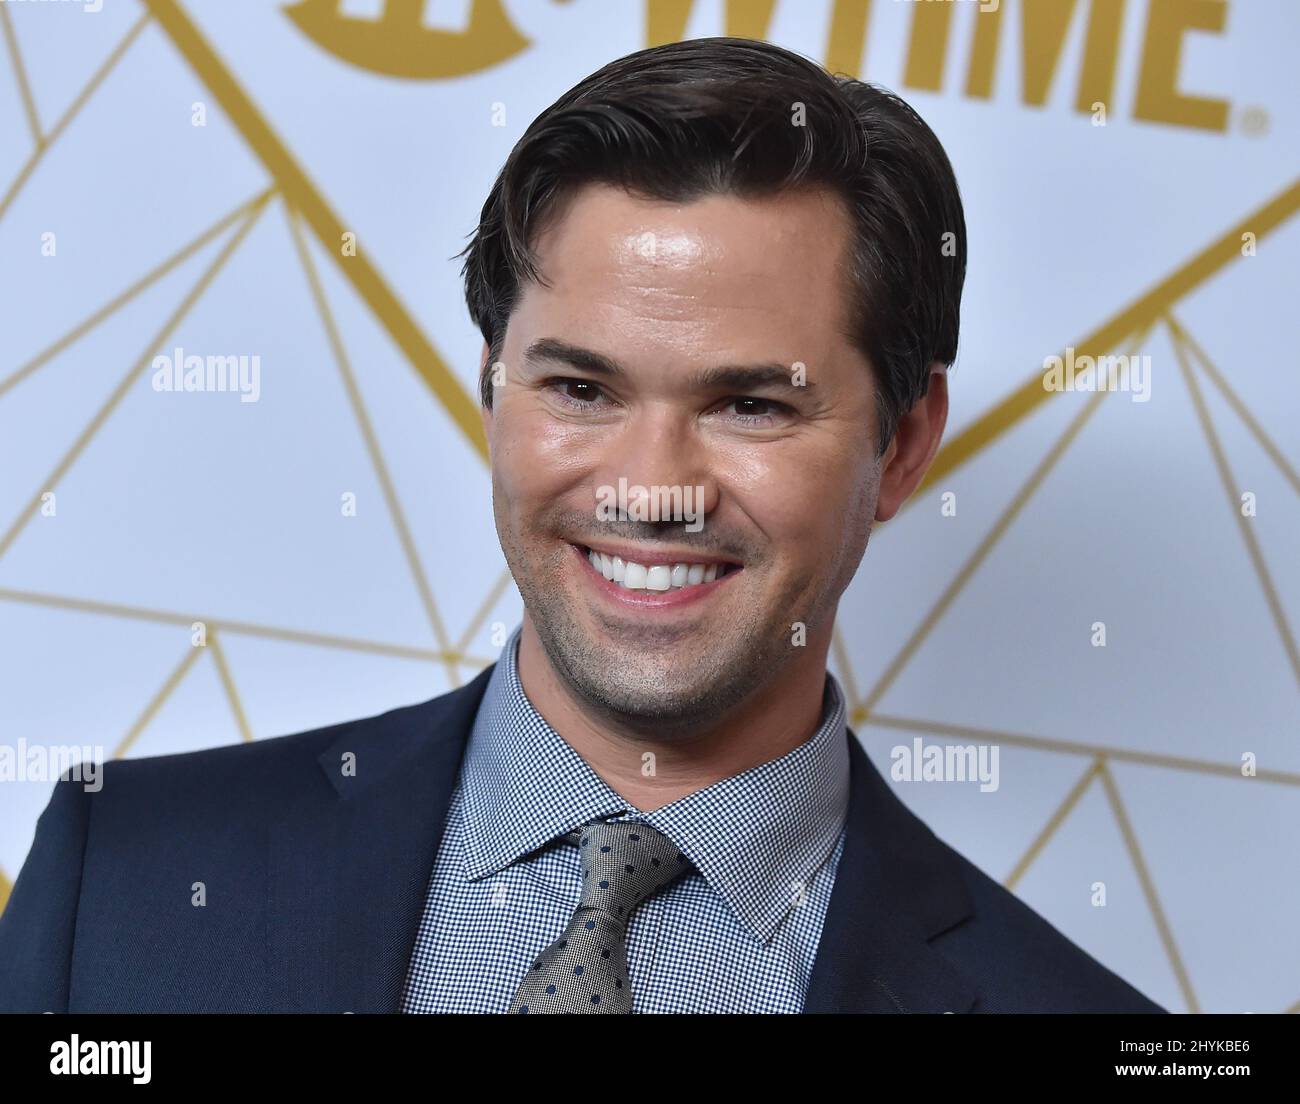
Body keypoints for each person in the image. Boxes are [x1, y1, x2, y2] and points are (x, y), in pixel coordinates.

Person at [0, 36, 1163, 1014]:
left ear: (902, 446)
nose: (651, 488)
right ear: (490, 393)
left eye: (749, 404)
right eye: (580, 390)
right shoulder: (125, 879)